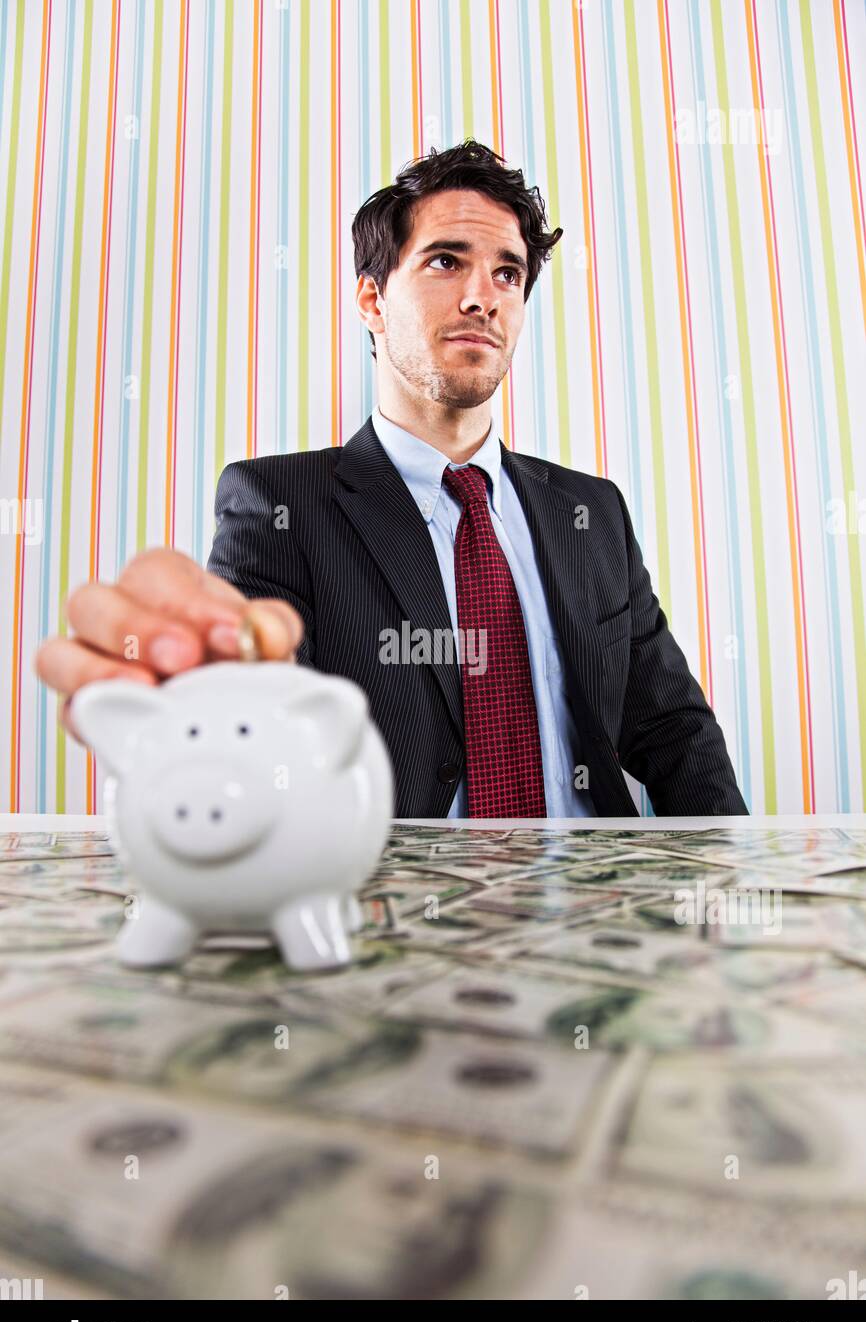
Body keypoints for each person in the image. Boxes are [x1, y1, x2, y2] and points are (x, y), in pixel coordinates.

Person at [35, 140, 747, 820]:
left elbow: (675, 731)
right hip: (392, 915)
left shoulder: (592, 510)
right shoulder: (280, 503)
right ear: (372, 300)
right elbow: (256, 704)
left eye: (508, 273)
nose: (483, 297)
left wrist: (735, 888)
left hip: (598, 906)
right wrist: (206, 699)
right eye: (446, 261)